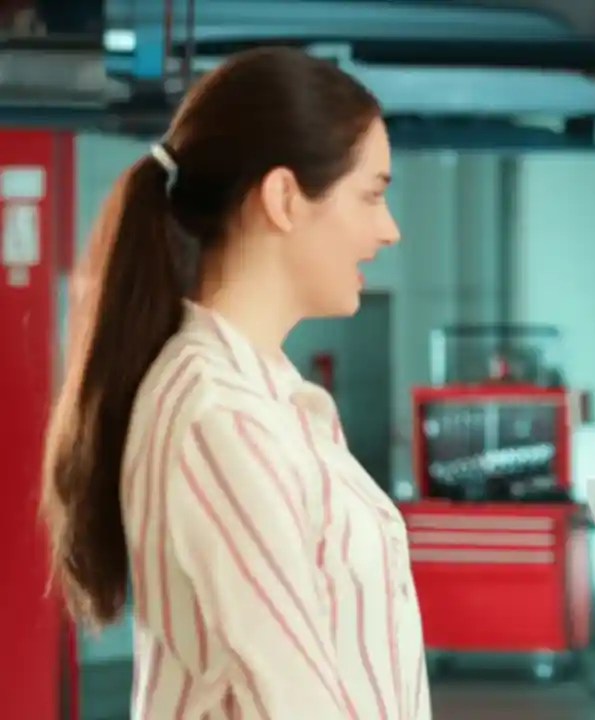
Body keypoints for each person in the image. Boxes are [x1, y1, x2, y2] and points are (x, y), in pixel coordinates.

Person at [40, 47, 429, 719]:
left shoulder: (273, 400)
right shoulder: (220, 416)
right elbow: (297, 699)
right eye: (371, 195)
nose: (387, 229)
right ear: (282, 198)